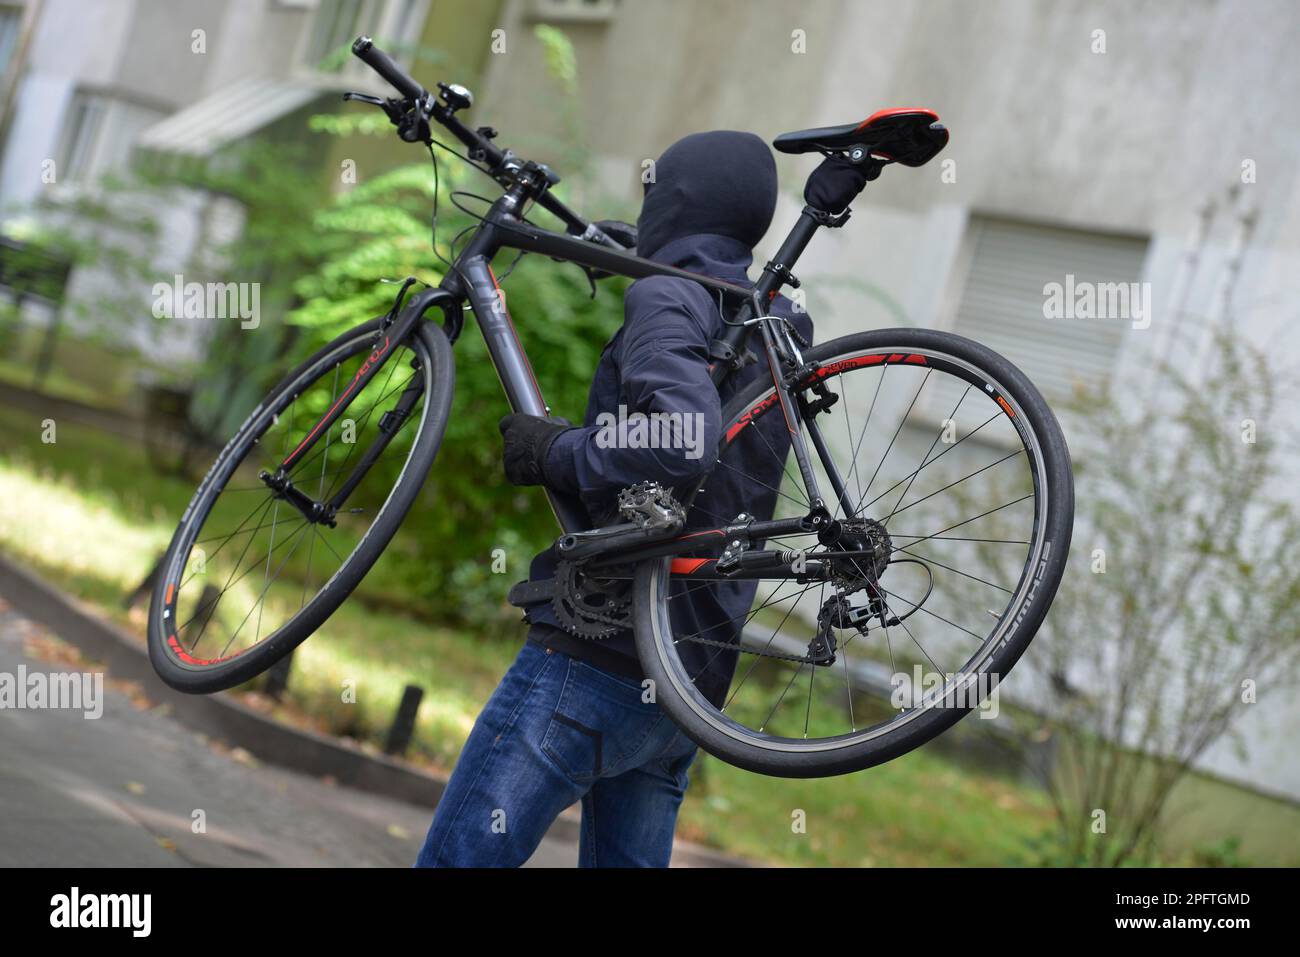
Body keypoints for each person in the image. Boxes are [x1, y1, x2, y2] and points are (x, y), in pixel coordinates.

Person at [415, 129, 814, 867]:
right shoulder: (773, 320)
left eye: (655, 191)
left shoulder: (668, 296)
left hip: (595, 655)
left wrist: (553, 450)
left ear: (679, 199)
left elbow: (682, 438)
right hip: (684, 684)